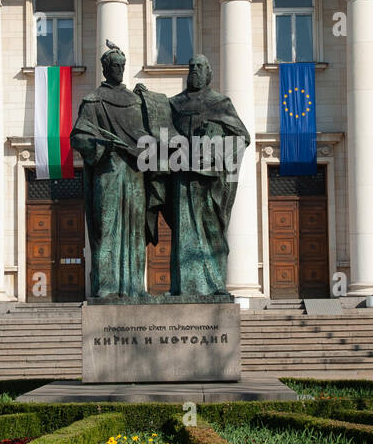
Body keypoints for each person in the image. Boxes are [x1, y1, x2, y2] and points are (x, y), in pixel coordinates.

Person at [71, 43, 159, 298]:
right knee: (106, 227)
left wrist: (149, 103)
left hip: (135, 172)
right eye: (114, 66)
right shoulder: (93, 101)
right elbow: (78, 136)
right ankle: (107, 286)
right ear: (105, 68)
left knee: (135, 229)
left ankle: (134, 286)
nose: (119, 70)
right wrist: (99, 144)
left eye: (122, 65)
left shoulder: (135, 100)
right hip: (108, 171)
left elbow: (149, 133)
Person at [163, 54, 250, 297]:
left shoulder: (221, 103)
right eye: (191, 67)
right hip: (183, 175)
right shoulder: (174, 104)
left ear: (209, 72)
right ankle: (185, 286)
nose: (195, 71)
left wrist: (217, 151)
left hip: (211, 177)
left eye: (200, 67)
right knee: (185, 231)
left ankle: (215, 283)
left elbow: (242, 136)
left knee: (213, 227)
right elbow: (162, 133)